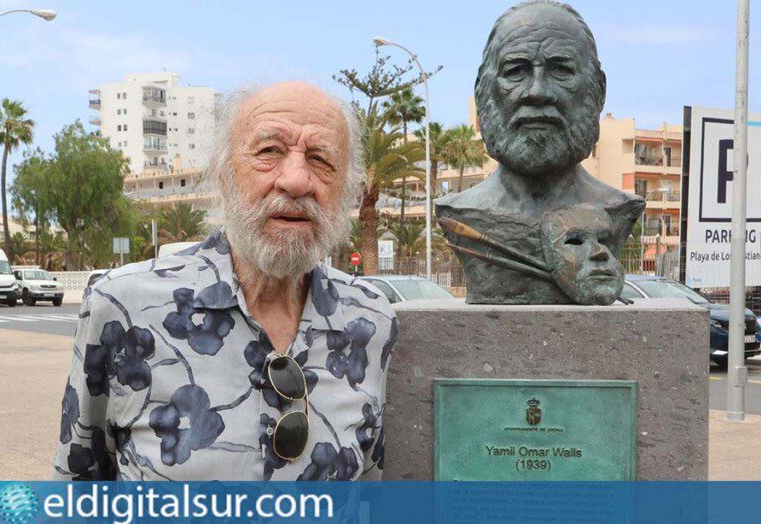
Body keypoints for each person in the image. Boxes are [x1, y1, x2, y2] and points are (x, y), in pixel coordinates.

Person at [53, 82, 397, 481]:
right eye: (270, 151)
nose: (297, 180)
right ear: (223, 172)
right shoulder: (123, 306)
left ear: (347, 189)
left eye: (321, 159)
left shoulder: (371, 321)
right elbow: (77, 489)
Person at [435, 0, 644, 304]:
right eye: (516, 71)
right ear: (483, 92)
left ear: (598, 90)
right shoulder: (459, 214)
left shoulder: (620, 209)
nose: (537, 91)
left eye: (561, 70)